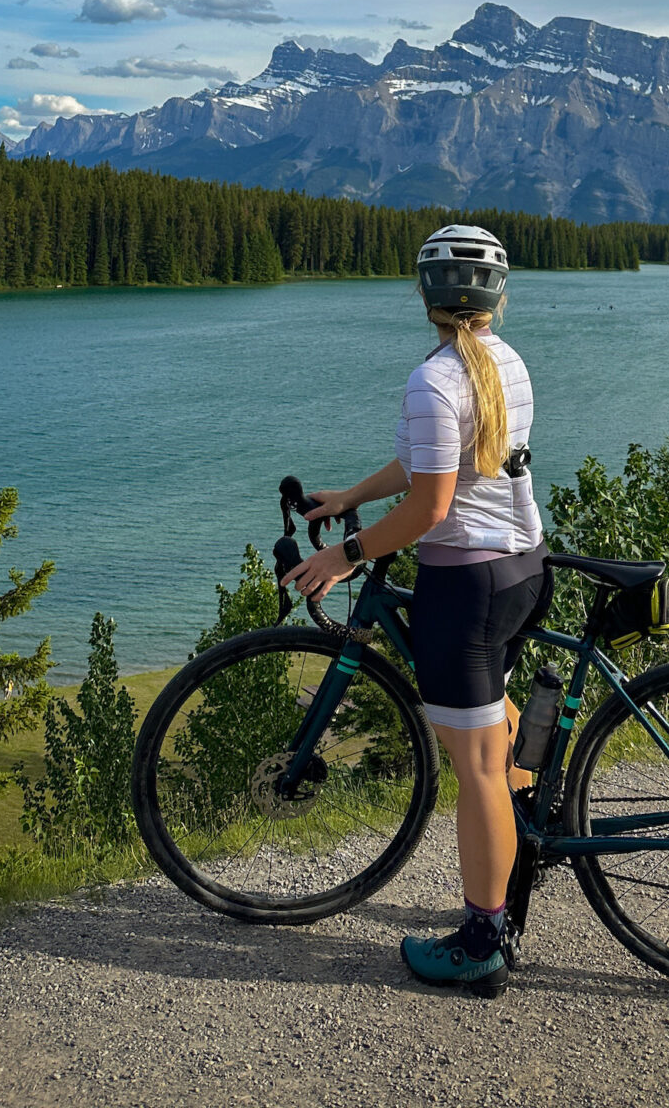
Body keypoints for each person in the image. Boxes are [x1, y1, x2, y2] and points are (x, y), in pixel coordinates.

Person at [281, 222, 546, 995]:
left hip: (468, 589)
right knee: (492, 739)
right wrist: (357, 497)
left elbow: (431, 504)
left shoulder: (435, 377)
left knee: (476, 768)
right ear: (496, 294)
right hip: (522, 568)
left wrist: (344, 553)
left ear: (425, 291)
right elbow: (434, 460)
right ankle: (526, 840)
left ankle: (483, 941)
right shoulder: (504, 362)